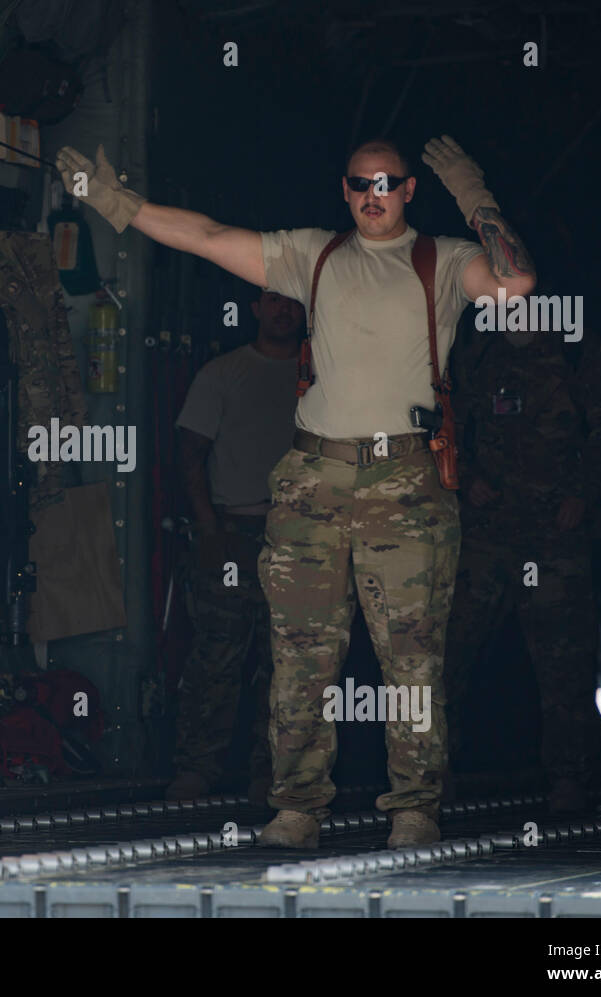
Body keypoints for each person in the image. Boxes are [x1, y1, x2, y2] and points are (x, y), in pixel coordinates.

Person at [57, 135, 537, 849]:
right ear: (344, 190)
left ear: (409, 191)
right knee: (301, 652)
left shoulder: (445, 260)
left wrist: (476, 195)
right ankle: (297, 807)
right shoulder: (312, 254)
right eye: (360, 182)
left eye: (388, 182)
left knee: (411, 656)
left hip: (405, 480)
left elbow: (518, 284)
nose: (373, 192)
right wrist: (117, 203)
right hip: (313, 480)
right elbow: (211, 237)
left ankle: (413, 807)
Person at [445, 324, 601, 813]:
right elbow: (443, 422)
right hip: (485, 531)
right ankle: (429, 777)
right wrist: (465, 479)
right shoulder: (474, 347)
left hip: (555, 532)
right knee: (446, 653)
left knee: (564, 660)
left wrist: (584, 494)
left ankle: (568, 779)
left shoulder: (575, 349)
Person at [167, 289, 305, 806]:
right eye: (273, 301)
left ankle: (272, 776)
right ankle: (197, 768)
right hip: (234, 530)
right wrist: (209, 529)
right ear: (254, 309)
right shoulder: (223, 374)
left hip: (299, 536)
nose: (283, 310)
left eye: (293, 302)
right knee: (217, 658)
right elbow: (190, 454)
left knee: (289, 664)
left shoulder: (320, 376)